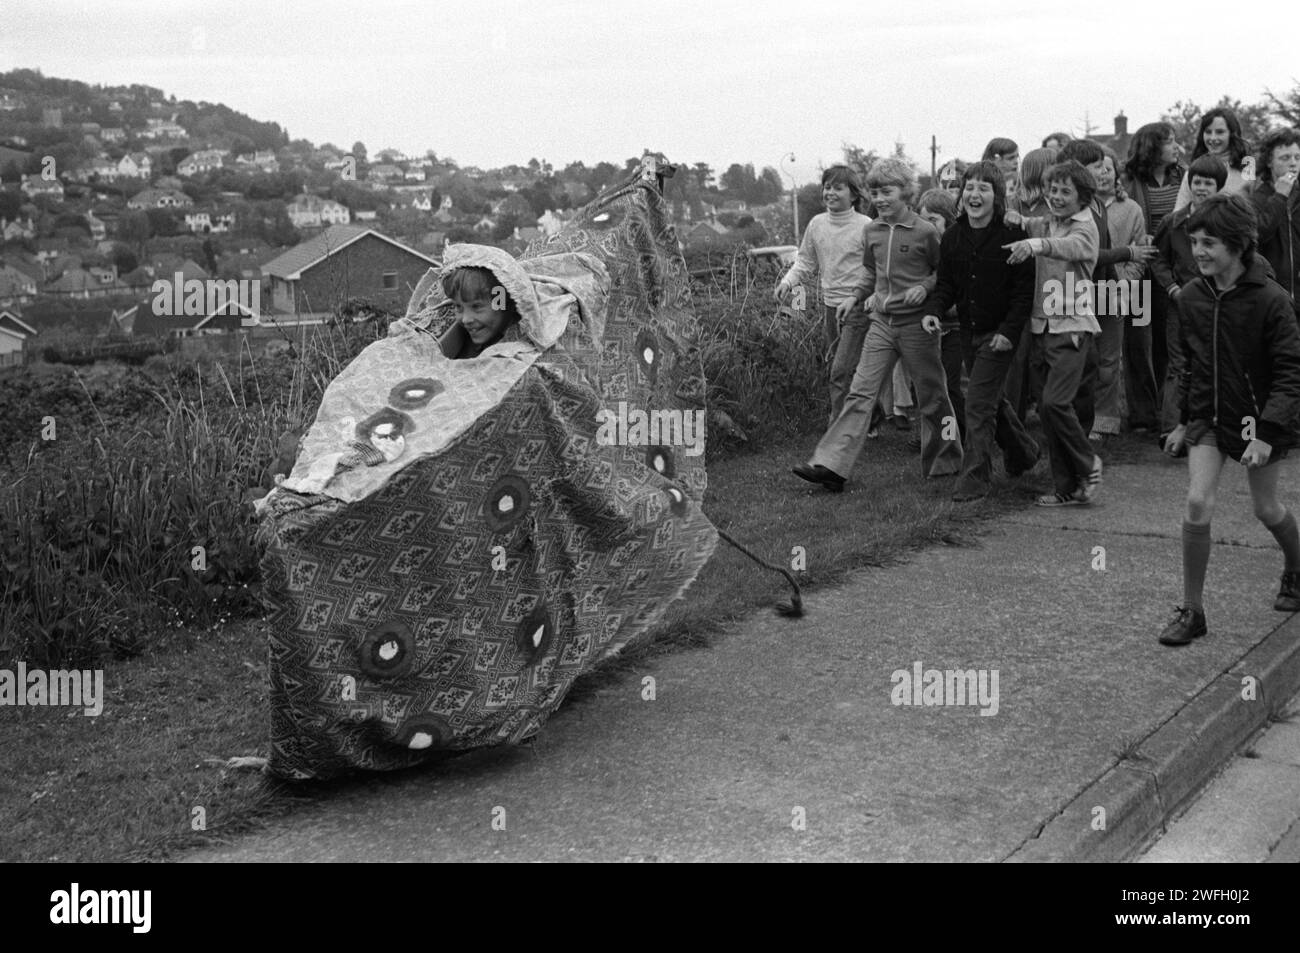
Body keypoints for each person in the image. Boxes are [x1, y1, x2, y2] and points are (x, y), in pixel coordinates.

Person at [1157, 193, 1300, 646]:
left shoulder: (1272, 300)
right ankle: (1193, 610)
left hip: (1259, 421)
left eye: (1209, 243)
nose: (1198, 251)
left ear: (1238, 246)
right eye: (1194, 241)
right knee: (1198, 503)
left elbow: (1290, 372)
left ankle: (1296, 568)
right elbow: (1195, 365)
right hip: (1210, 419)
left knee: (1266, 508)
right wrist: (1182, 421)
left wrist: (1267, 433)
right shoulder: (1194, 297)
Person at [792, 157, 961, 490]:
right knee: (859, 393)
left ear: (906, 193)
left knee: (933, 397)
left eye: (888, 192)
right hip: (882, 323)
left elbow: (944, 275)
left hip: (917, 327)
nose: (881, 199)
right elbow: (870, 273)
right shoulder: (872, 230)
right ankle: (831, 466)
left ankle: (948, 459)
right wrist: (854, 297)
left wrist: (922, 288)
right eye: (875, 192)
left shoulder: (926, 232)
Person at [926, 161, 1039, 501]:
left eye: (983, 189)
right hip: (968, 332)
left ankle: (976, 476)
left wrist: (1008, 332)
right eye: (970, 188)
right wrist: (933, 311)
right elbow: (945, 284)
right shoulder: (952, 237)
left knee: (976, 403)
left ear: (997, 196)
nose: (975, 195)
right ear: (962, 195)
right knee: (991, 400)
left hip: (1001, 334)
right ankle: (1023, 452)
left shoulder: (1013, 236)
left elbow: (1023, 292)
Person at [1003, 159, 1104, 506]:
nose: (1056, 197)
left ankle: (1089, 462)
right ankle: (1066, 488)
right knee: (1048, 412)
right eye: (1053, 190)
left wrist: (1037, 245)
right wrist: (1019, 220)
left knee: (1055, 402)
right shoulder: (1049, 221)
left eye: (1065, 192)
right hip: (1042, 325)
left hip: (1072, 325)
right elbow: (1035, 223)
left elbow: (1074, 247)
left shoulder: (1085, 226)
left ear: (1083, 198)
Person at [776, 165, 873, 422]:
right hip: (830, 306)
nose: (830, 192)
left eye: (838, 188)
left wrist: (864, 296)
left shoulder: (867, 226)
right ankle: (871, 417)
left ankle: (839, 425)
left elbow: (876, 268)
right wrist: (787, 282)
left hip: (858, 307)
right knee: (841, 365)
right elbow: (806, 261)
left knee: (841, 370)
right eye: (827, 187)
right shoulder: (817, 224)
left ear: (853, 195)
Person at [1152, 155, 1227, 448]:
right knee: (1179, 365)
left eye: (1208, 183)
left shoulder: (1227, 221)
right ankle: (1171, 431)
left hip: (1219, 303)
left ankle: (1217, 427)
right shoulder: (1174, 222)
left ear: (1218, 187)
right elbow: (1158, 259)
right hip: (1181, 303)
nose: (1201, 187)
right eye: (1197, 181)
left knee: (1217, 362)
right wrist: (1172, 288)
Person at [1092, 143, 1156, 439]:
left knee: (1119, 356)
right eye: (1097, 169)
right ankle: (1084, 416)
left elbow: (1141, 251)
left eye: (1108, 168)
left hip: (1125, 290)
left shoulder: (1131, 209)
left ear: (1116, 173)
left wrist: (1125, 285)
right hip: (1085, 289)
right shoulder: (1084, 208)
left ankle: (1110, 417)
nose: (1103, 174)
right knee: (1087, 357)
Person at [1122, 121, 1185, 416]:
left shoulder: (1183, 177)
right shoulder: (1128, 180)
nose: (1176, 146)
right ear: (1152, 147)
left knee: (1165, 338)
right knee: (1136, 341)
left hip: (1169, 268)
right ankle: (1142, 412)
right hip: (1136, 267)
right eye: (1169, 141)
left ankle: (1167, 406)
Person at [1002, 146, 1059, 420]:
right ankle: (1015, 416)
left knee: (1042, 354)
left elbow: (1052, 228)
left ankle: (1048, 413)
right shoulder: (1016, 202)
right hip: (1020, 286)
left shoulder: (1054, 204)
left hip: (1048, 286)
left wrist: (1024, 221)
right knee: (1018, 355)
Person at [917, 187, 966, 444]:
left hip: (956, 327)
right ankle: (939, 435)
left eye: (933, 220)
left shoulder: (957, 247)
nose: (927, 226)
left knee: (952, 386)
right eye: (923, 220)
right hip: (932, 327)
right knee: (931, 386)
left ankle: (963, 435)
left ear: (949, 218)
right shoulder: (923, 249)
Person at [1249, 128, 1300, 309]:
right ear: (1270, 162)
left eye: (1297, 157)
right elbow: (1257, 235)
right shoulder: (1256, 199)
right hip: (1272, 299)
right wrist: (1279, 197)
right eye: (1285, 158)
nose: (1293, 164)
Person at [1173, 108, 1253, 212]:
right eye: (1208, 132)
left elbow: (1257, 211)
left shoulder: (1248, 167)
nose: (1213, 138)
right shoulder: (1194, 170)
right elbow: (1178, 214)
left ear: (1232, 134)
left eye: (1220, 132)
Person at [439, 265, 523, 359]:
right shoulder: (452, 336)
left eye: (476, 306)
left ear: (503, 303)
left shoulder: (522, 356)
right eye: (458, 306)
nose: (465, 319)